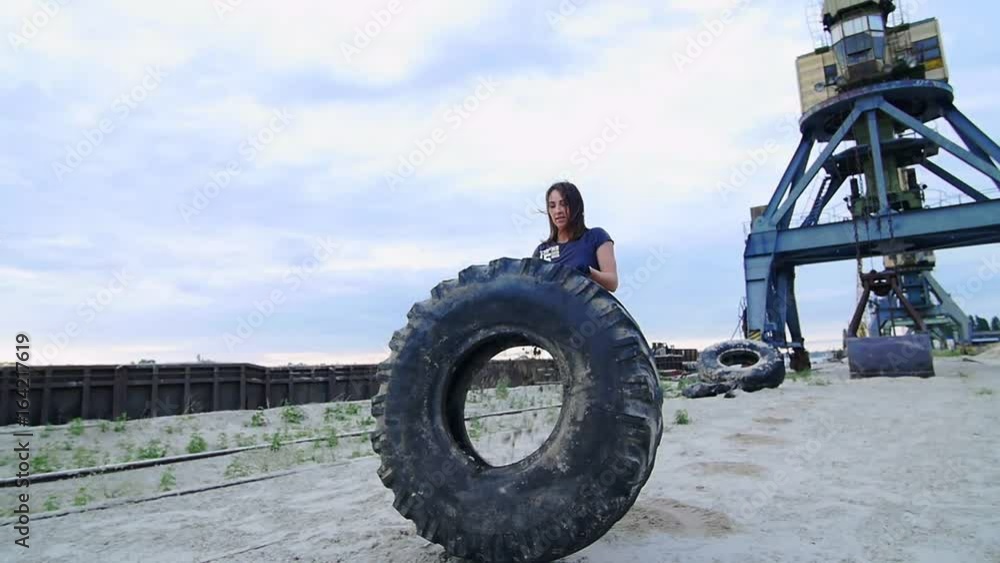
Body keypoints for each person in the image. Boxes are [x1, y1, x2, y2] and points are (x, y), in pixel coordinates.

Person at [531, 181, 619, 292]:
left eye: (564, 204)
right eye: (552, 206)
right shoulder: (541, 251)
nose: (558, 211)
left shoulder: (597, 236)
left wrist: (589, 272)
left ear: (576, 206)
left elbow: (612, 283)